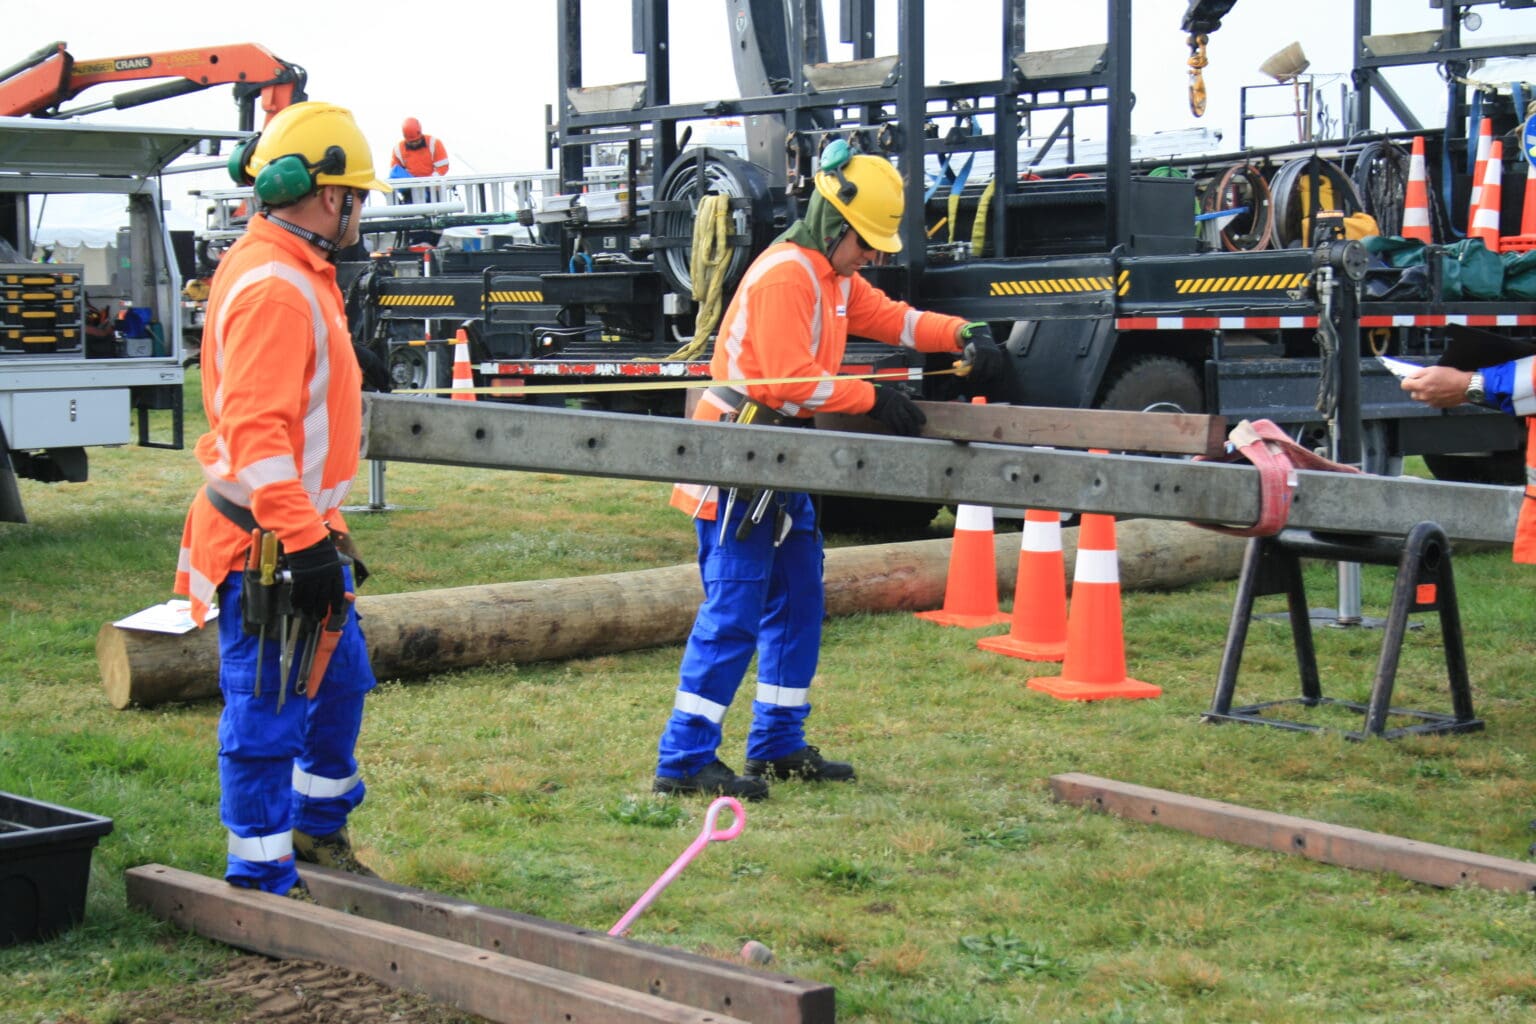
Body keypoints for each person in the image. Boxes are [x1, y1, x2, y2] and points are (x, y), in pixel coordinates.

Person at [653, 143, 1012, 800]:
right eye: (867, 243)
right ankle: (683, 759)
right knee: (734, 608)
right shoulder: (789, 276)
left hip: (781, 458)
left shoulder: (832, 278)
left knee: (799, 603)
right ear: (834, 223)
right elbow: (791, 382)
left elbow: (898, 320)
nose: (873, 256)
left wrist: (964, 334)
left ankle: (777, 743)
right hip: (738, 459)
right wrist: (873, 398)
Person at [173, 101, 392, 897]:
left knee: (340, 689)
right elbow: (260, 436)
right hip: (272, 536)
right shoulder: (275, 285)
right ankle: (261, 876)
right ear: (332, 198)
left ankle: (316, 830)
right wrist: (302, 543)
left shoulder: (291, 267)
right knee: (267, 707)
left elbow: (292, 395)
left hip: (304, 524)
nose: (362, 212)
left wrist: (348, 364)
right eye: (359, 197)